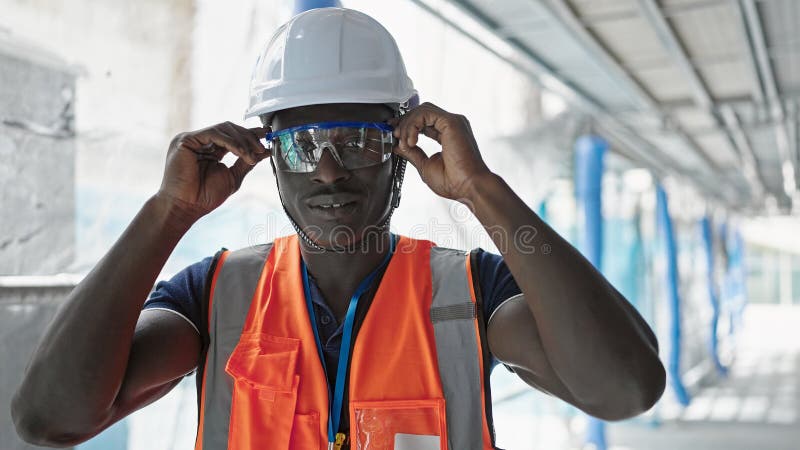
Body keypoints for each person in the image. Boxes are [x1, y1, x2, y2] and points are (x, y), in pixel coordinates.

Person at [12, 7, 665, 450]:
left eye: (356, 140)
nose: (327, 172)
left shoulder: (472, 293)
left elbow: (625, 388)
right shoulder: (213, 297)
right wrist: (169, 211)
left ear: (404, 152)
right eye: (301, 145)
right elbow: (48, 417)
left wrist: (482, 192)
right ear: (270, 161)